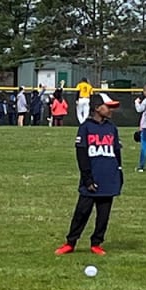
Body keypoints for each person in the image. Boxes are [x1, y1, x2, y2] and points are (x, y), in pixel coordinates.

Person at [53, 93, 122, 256]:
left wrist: (119, 173)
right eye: (108, 107)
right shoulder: (85, 127)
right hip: (91, 178)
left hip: (108, 177)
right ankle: (71, 242)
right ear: (97, 108)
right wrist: (87, 178)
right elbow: (82, 155)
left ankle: (97, 242)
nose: (111, 110)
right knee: (82, 212)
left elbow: (116, 153)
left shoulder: (112, 128)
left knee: (103, 214)